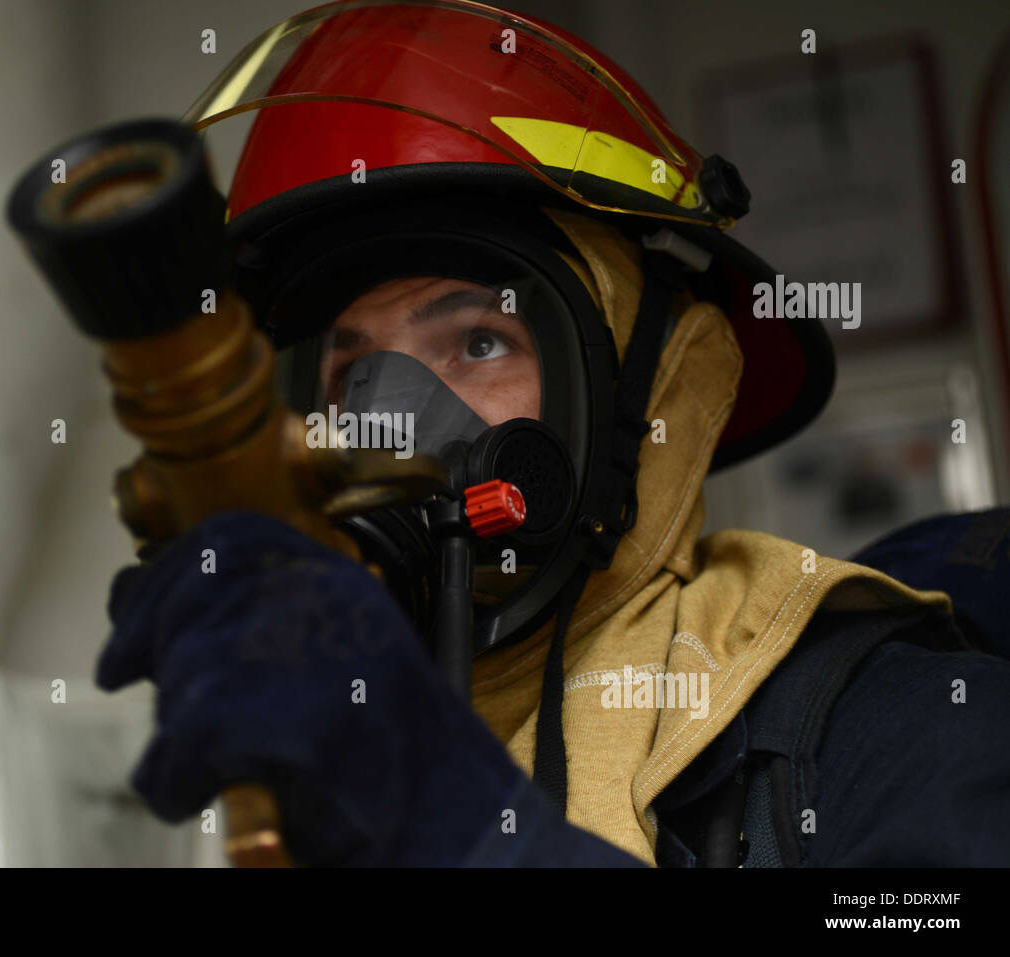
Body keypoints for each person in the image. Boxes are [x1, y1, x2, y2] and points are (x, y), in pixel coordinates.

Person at [98, 0, 1010, 866]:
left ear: (656, 394)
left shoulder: (899, 730)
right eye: (346, 373)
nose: (388, 420)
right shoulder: (286, 772)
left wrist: (451, 823)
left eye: (478, 341)